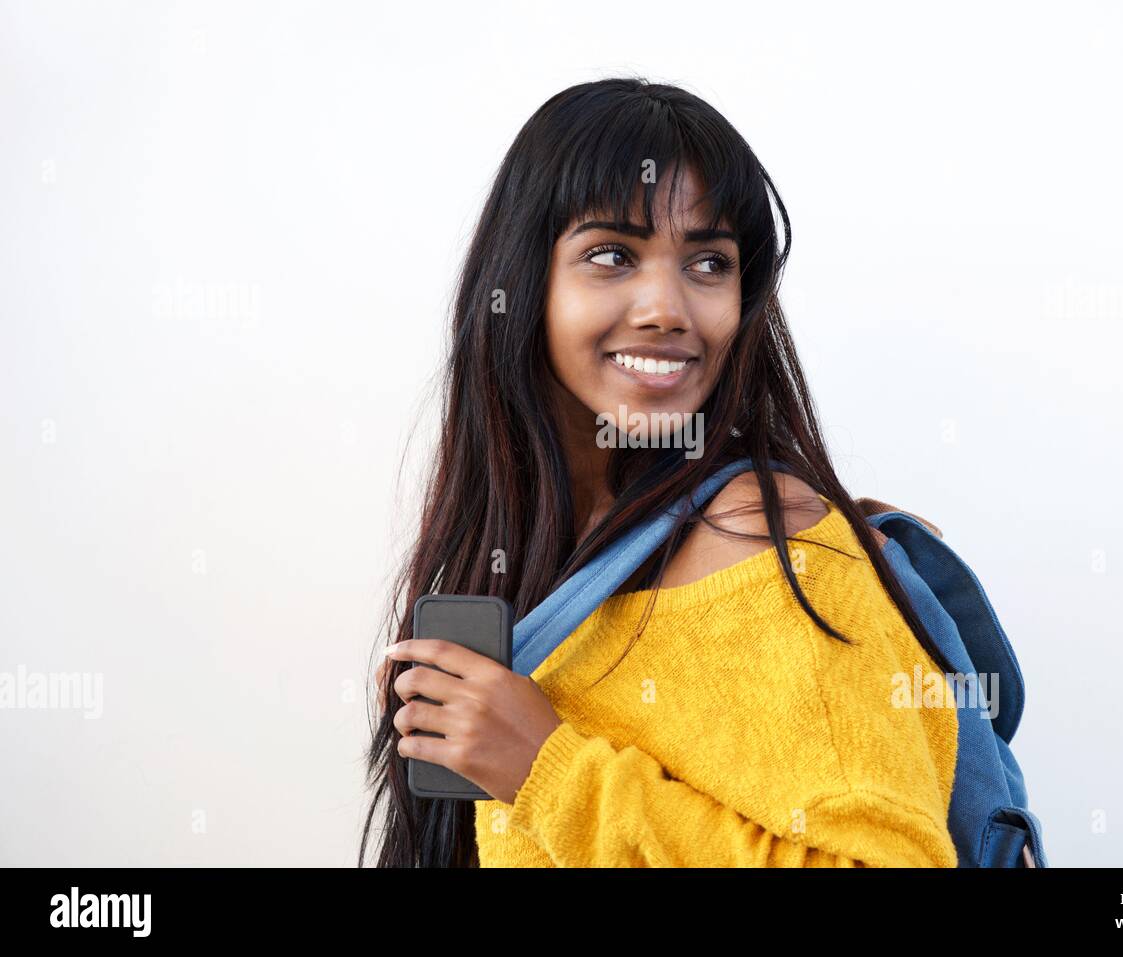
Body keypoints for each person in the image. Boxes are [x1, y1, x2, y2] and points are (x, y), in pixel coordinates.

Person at [361, 77, 961, 868]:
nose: (668, 307)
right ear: (522, 280)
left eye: (709, 262)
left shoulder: (772, 546)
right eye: (612, 254)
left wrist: (550, 771)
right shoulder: (532, 549)